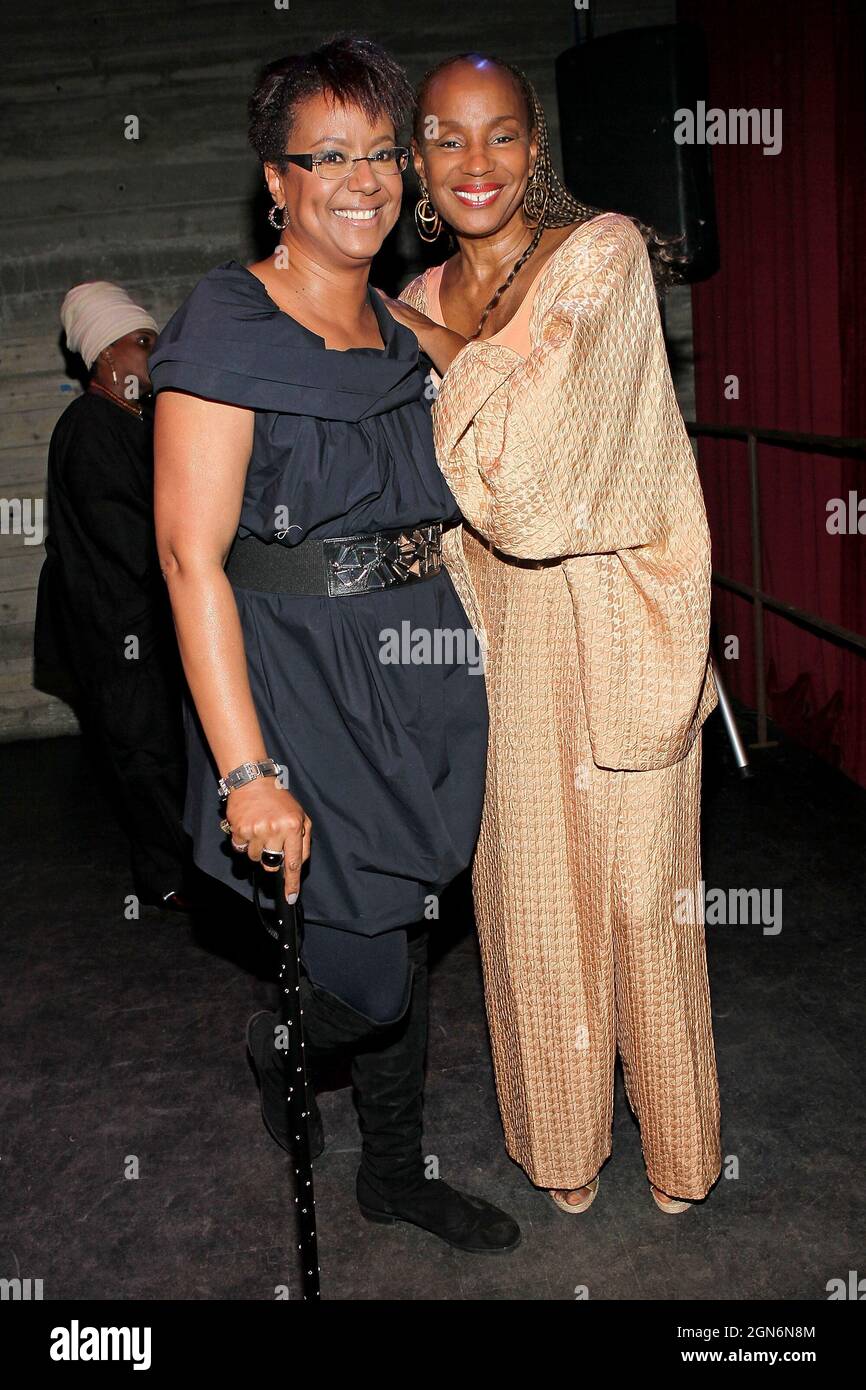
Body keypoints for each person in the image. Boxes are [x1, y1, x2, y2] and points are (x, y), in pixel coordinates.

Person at [149, 37, 520, 1254]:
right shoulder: (227, 319)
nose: (359, 179)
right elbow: (188, 559)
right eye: (326, 156)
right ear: (276, 179)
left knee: (408, 927)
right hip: (298, 678)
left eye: (377, 152)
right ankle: (281, 1042)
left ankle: (395, 1170)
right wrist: (249, 772)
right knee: (360, 971)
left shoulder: (401, 323)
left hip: (422, 665)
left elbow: (503, 403)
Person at [398, 53, 721, 1214]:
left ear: (535, 150)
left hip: (622, 621)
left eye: (498, 136)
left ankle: (682, 1153)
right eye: (445, 139)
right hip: (497, 642)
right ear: (418, 163)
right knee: (532, 919)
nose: (473, 162)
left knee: (645, 907)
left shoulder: (603, 253)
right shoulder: (417, 295)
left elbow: (529, 478)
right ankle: (563, 1148)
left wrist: (434, 360)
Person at [34, 282, 190, 911]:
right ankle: (169, 877)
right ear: (105, 356)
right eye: (144, 342)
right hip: (115, 629)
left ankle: (174, 869)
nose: (158, 352)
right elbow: (128, 538)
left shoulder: (134, 420)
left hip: (134, 623)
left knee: (158, 747)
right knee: (144, 751)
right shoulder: (94, 427)